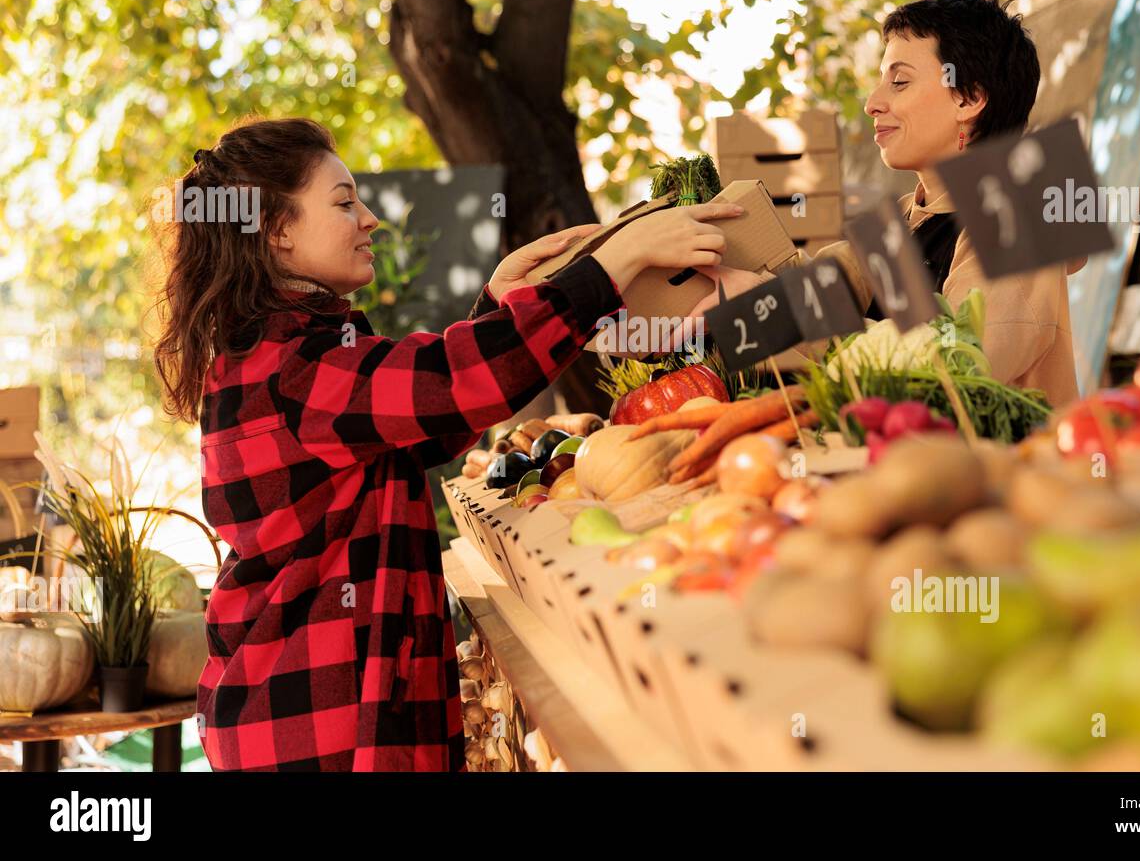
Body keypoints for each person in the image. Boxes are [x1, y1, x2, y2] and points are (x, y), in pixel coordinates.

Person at [153, 117, 742, 770]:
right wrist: (613, 266)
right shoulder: (293, 365)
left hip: (300, 719)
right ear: (278, 230)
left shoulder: (281, 355)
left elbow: (425, 417)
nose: (370, 219)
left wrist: (498, 304)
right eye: (345, 202)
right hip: (317, 734)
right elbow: (456, 382)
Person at [698, 0, 1082, 408]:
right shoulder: (907, 219)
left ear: (969, 98)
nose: (872, 103)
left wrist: (773, 312)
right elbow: (824, 288)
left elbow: (952, 369)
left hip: (996, 471)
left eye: (899, 82)